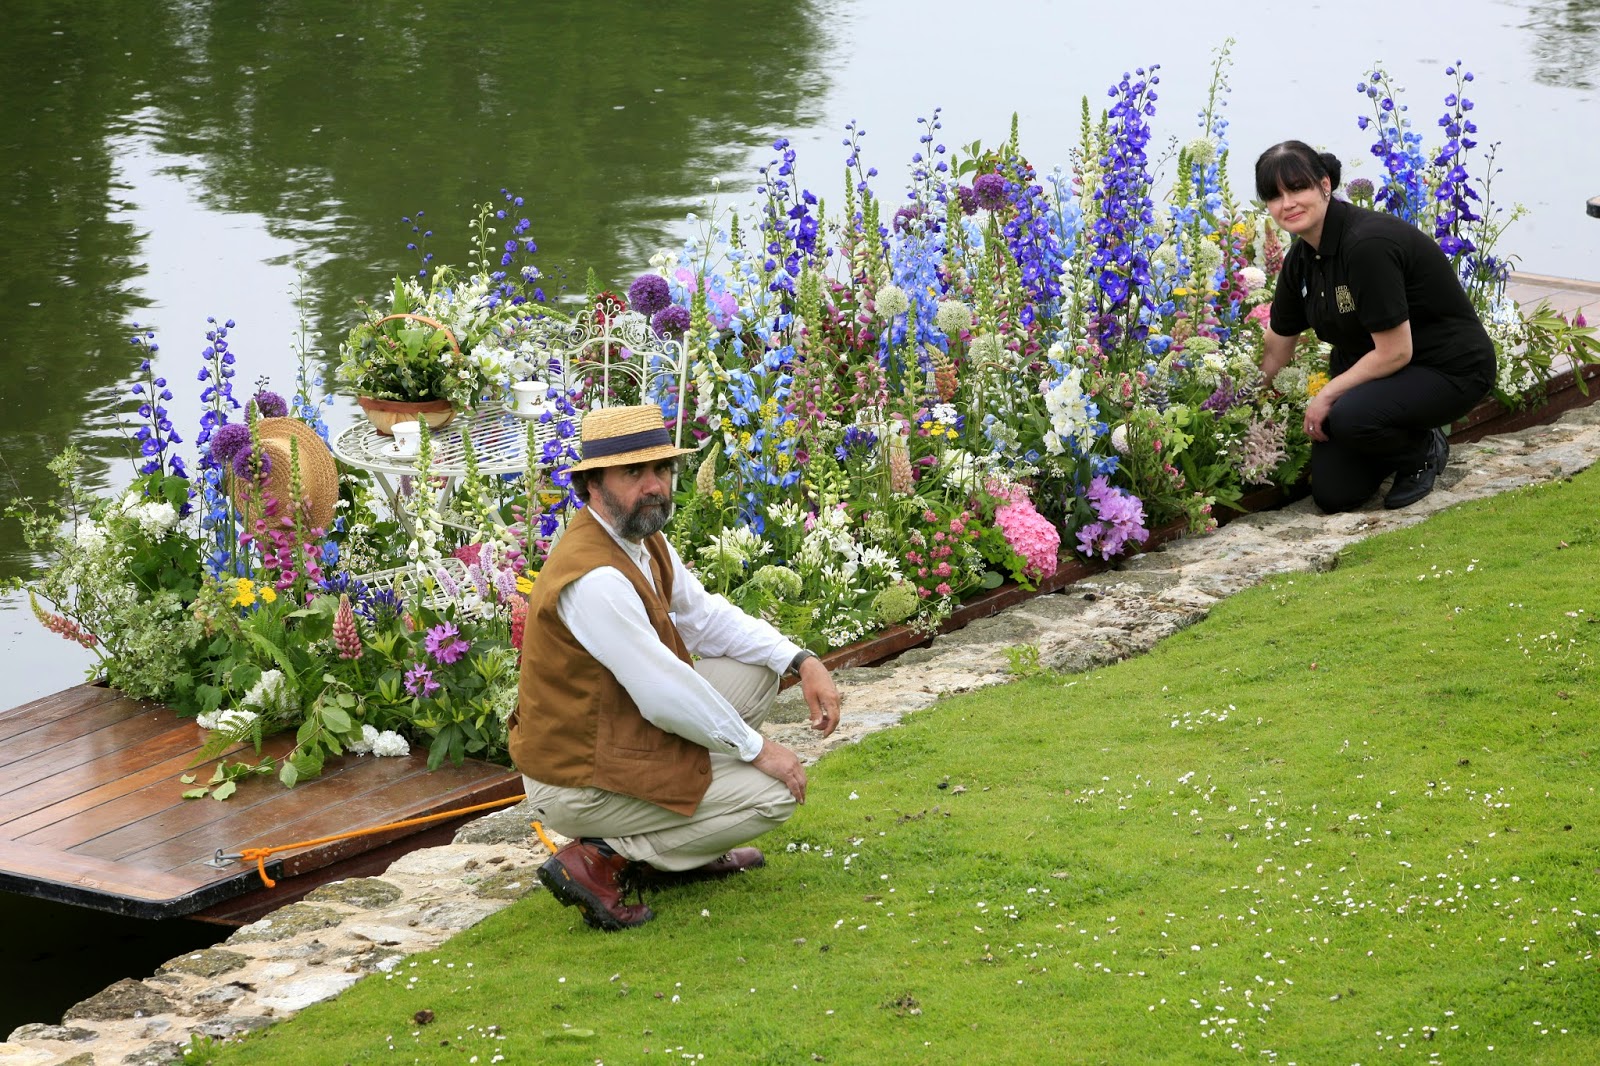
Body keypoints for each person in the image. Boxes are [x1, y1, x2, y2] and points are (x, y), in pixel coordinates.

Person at [509, 404, 843, 930]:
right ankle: (599, 856)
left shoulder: (643, 540)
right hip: (575, 781)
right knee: (775, 794)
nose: (654, 485)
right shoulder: (593, 578)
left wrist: (801, 661)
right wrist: (758, 751)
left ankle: (679, 844)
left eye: (661, 469)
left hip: (619, 732)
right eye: (633, 472)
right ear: (593, 484)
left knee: (757, 671)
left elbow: (706, 619)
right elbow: (663, 693)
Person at [1255, 140, 1496, 512]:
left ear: (1324, 185)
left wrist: (1327, 395)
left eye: (1298, 188)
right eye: (1274, 195)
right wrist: (1249, 402)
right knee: (1335, 494)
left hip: (1447, 369)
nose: (1287, 203)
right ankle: (1393, 432)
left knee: (1350, 416)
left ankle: (1423, 451)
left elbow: (1396, 350)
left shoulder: (1366, 245)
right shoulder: (1301, 257)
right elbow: (1279, 341)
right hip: (1379, 379)